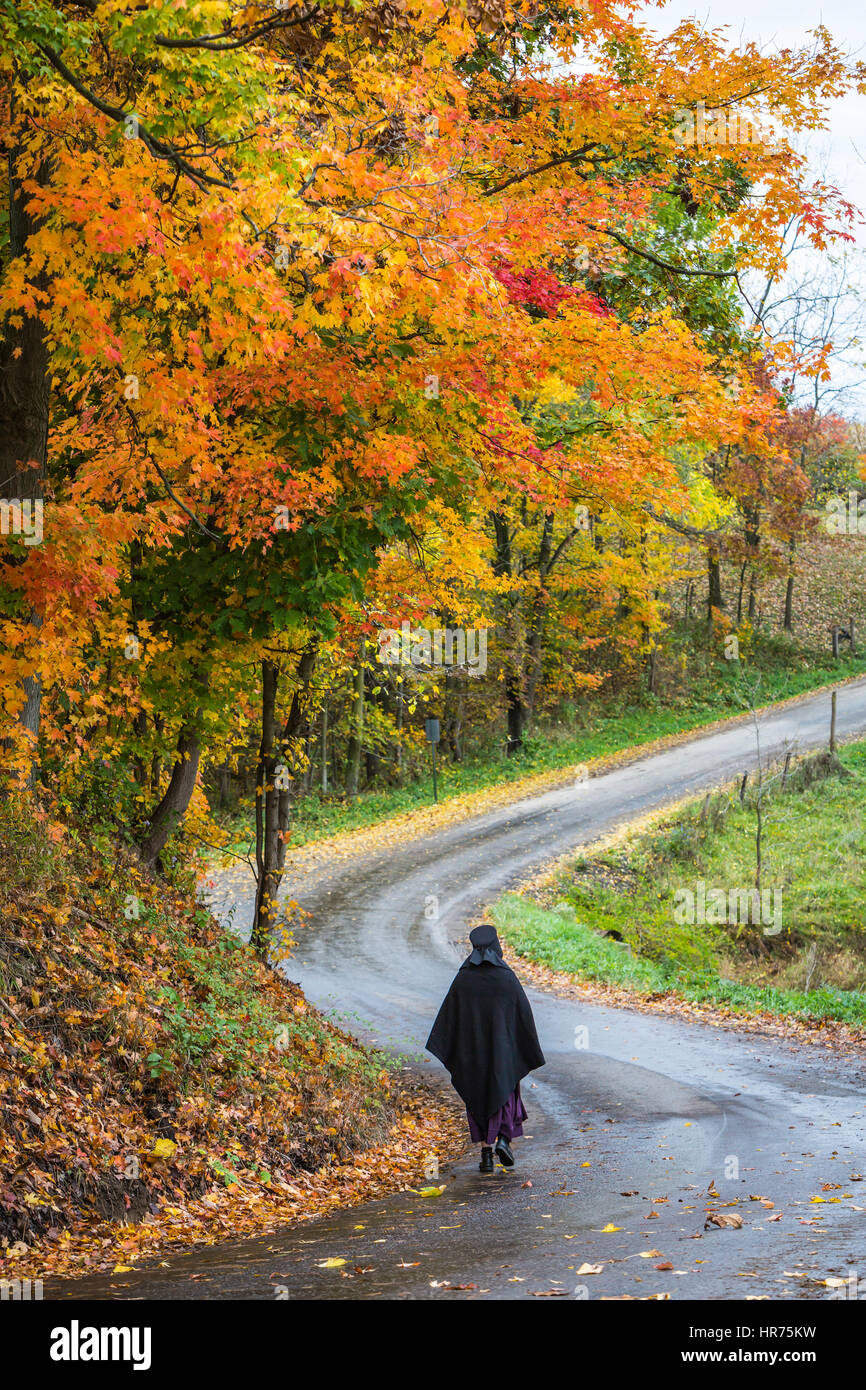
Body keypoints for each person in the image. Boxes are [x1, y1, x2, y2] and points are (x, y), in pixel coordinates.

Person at [425, 923, 545, 1173]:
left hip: (472, 1057)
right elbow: (523, 1016)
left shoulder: (463, 978)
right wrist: (520, 1048)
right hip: (503, 1055)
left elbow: (449, 1019)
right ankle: (503, 1139)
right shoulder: (506, 977)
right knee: (505, 1092)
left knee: (476, 1098)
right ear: (496, 946)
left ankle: (486, 1156)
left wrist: (457, 1049)